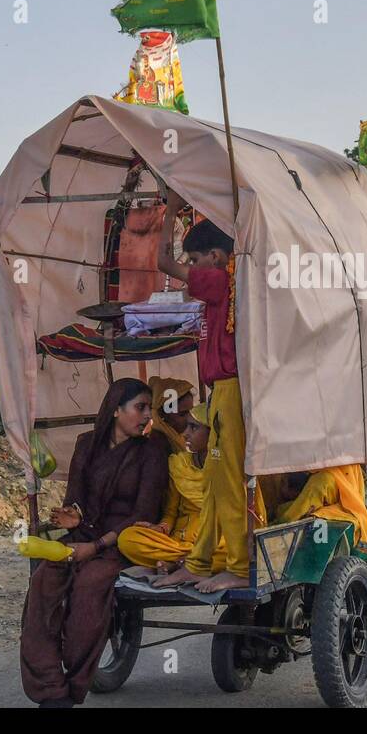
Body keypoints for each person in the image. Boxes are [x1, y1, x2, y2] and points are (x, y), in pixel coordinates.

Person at [19, 377, 169, 707]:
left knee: (89, 584)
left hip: (125, 542)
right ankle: (49, 687)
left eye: (150, 409)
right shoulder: (85, 444)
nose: (147, 417)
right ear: (116, 410)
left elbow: (143, 513)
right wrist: (73, 515)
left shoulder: (153, 450)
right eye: (140, 408)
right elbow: (76, 499)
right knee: (44, 580)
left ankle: (72, 687)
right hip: (84, 535)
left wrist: (96, 546)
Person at [153, 200, 265, 593]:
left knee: (230, 481)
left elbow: (164, 262)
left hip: (232, 389)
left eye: (196, 259)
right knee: (218, 480)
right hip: (222, 390)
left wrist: (169, 212)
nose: (192, 268)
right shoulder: (225, 282)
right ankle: (200, 561)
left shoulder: (223, 280)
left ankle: (239, 565)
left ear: (217, 257)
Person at [118, 401, 227, 574]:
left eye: (193, 428)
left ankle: (181, 563)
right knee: (127, 539)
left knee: (238, 550)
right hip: (179, 543)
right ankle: (187, 561)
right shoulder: (179, 465)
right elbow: (171, 513)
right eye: (186, 427)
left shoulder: (233, 469)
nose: (184, 434)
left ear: (213, 433)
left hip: (219, 543)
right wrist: (162, 528)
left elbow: (254, 521)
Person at [273, 464, 367, 548]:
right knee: (282, 509)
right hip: (348, 503)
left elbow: (297, 511)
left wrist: (275, 527)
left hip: (338, 509)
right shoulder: (344, 466)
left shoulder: (322, 479)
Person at [146, 375, 195, 454]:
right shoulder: (157, 446)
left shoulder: (176, 439)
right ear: (162, 415)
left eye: (191, 412)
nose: (190, 418)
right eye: (182, 414)